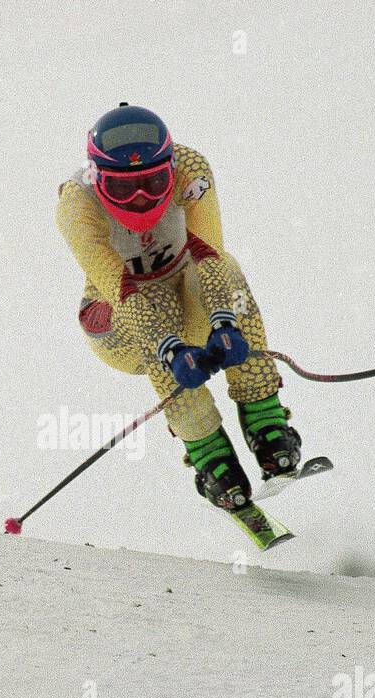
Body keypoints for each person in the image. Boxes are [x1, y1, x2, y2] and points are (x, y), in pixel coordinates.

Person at [56, 103, 301, 511]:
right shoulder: (76, 205)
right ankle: (209, 455)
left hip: (188, 291)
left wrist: (224, 320)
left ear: (170, 170)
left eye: (153, 183)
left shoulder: (190, 168)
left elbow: (209, 254)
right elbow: (123, 292)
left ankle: (266, 421)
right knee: (153, 308)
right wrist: (170, 349)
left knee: (228, 274)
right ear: (98, 180)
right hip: (119, 319)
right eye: (121, 189)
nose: (138, 201)